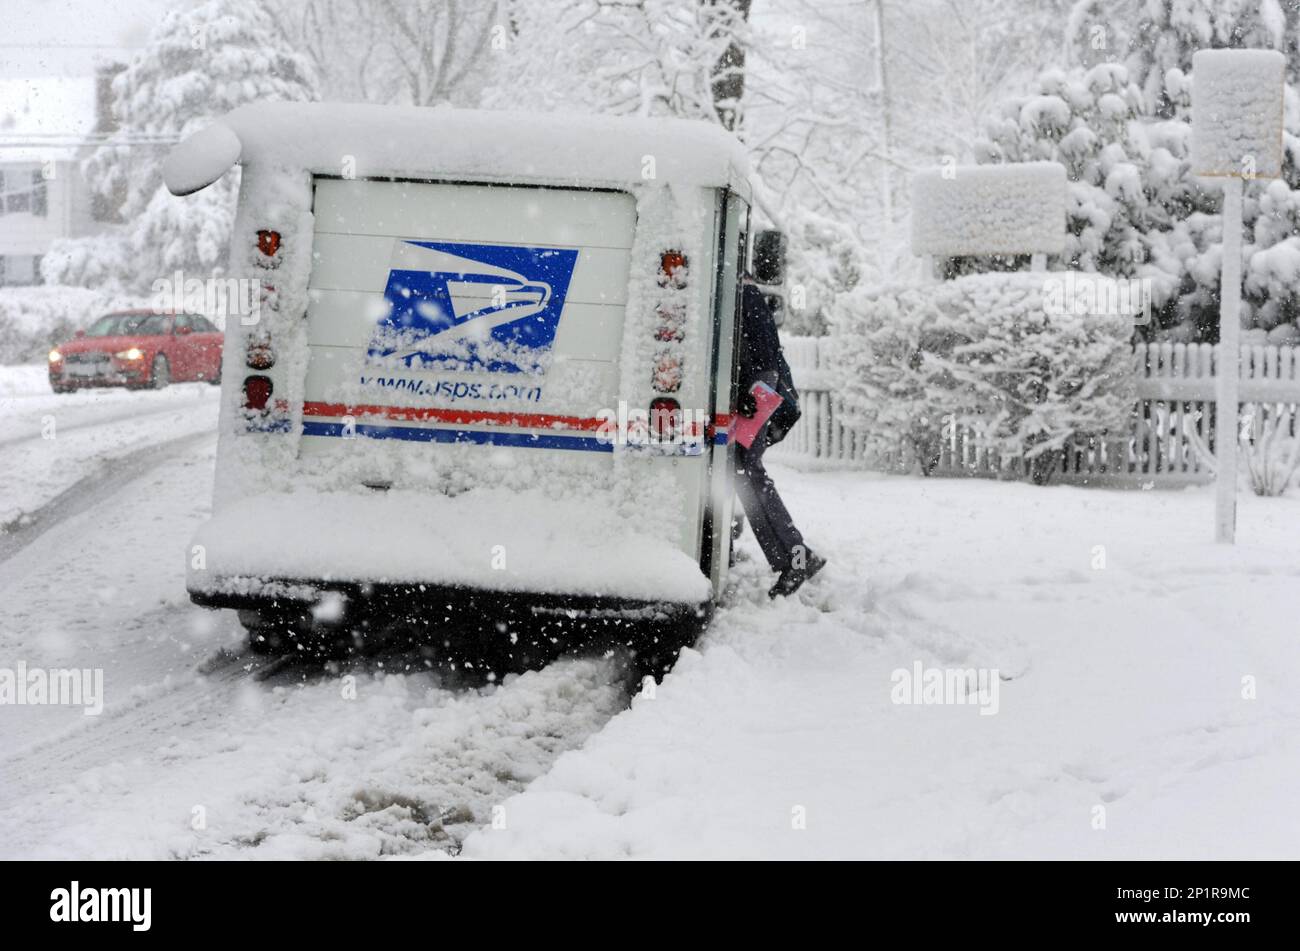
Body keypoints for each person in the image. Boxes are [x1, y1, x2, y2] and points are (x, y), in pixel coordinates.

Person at [733, 278, 826, 598]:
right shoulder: (743, 293)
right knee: (741, 471)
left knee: (746, 470)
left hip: (757, 387)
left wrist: (748, 390)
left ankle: (797, 557)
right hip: (757, 385)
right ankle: (794, 556)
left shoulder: (744, 294)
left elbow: (760, 354)